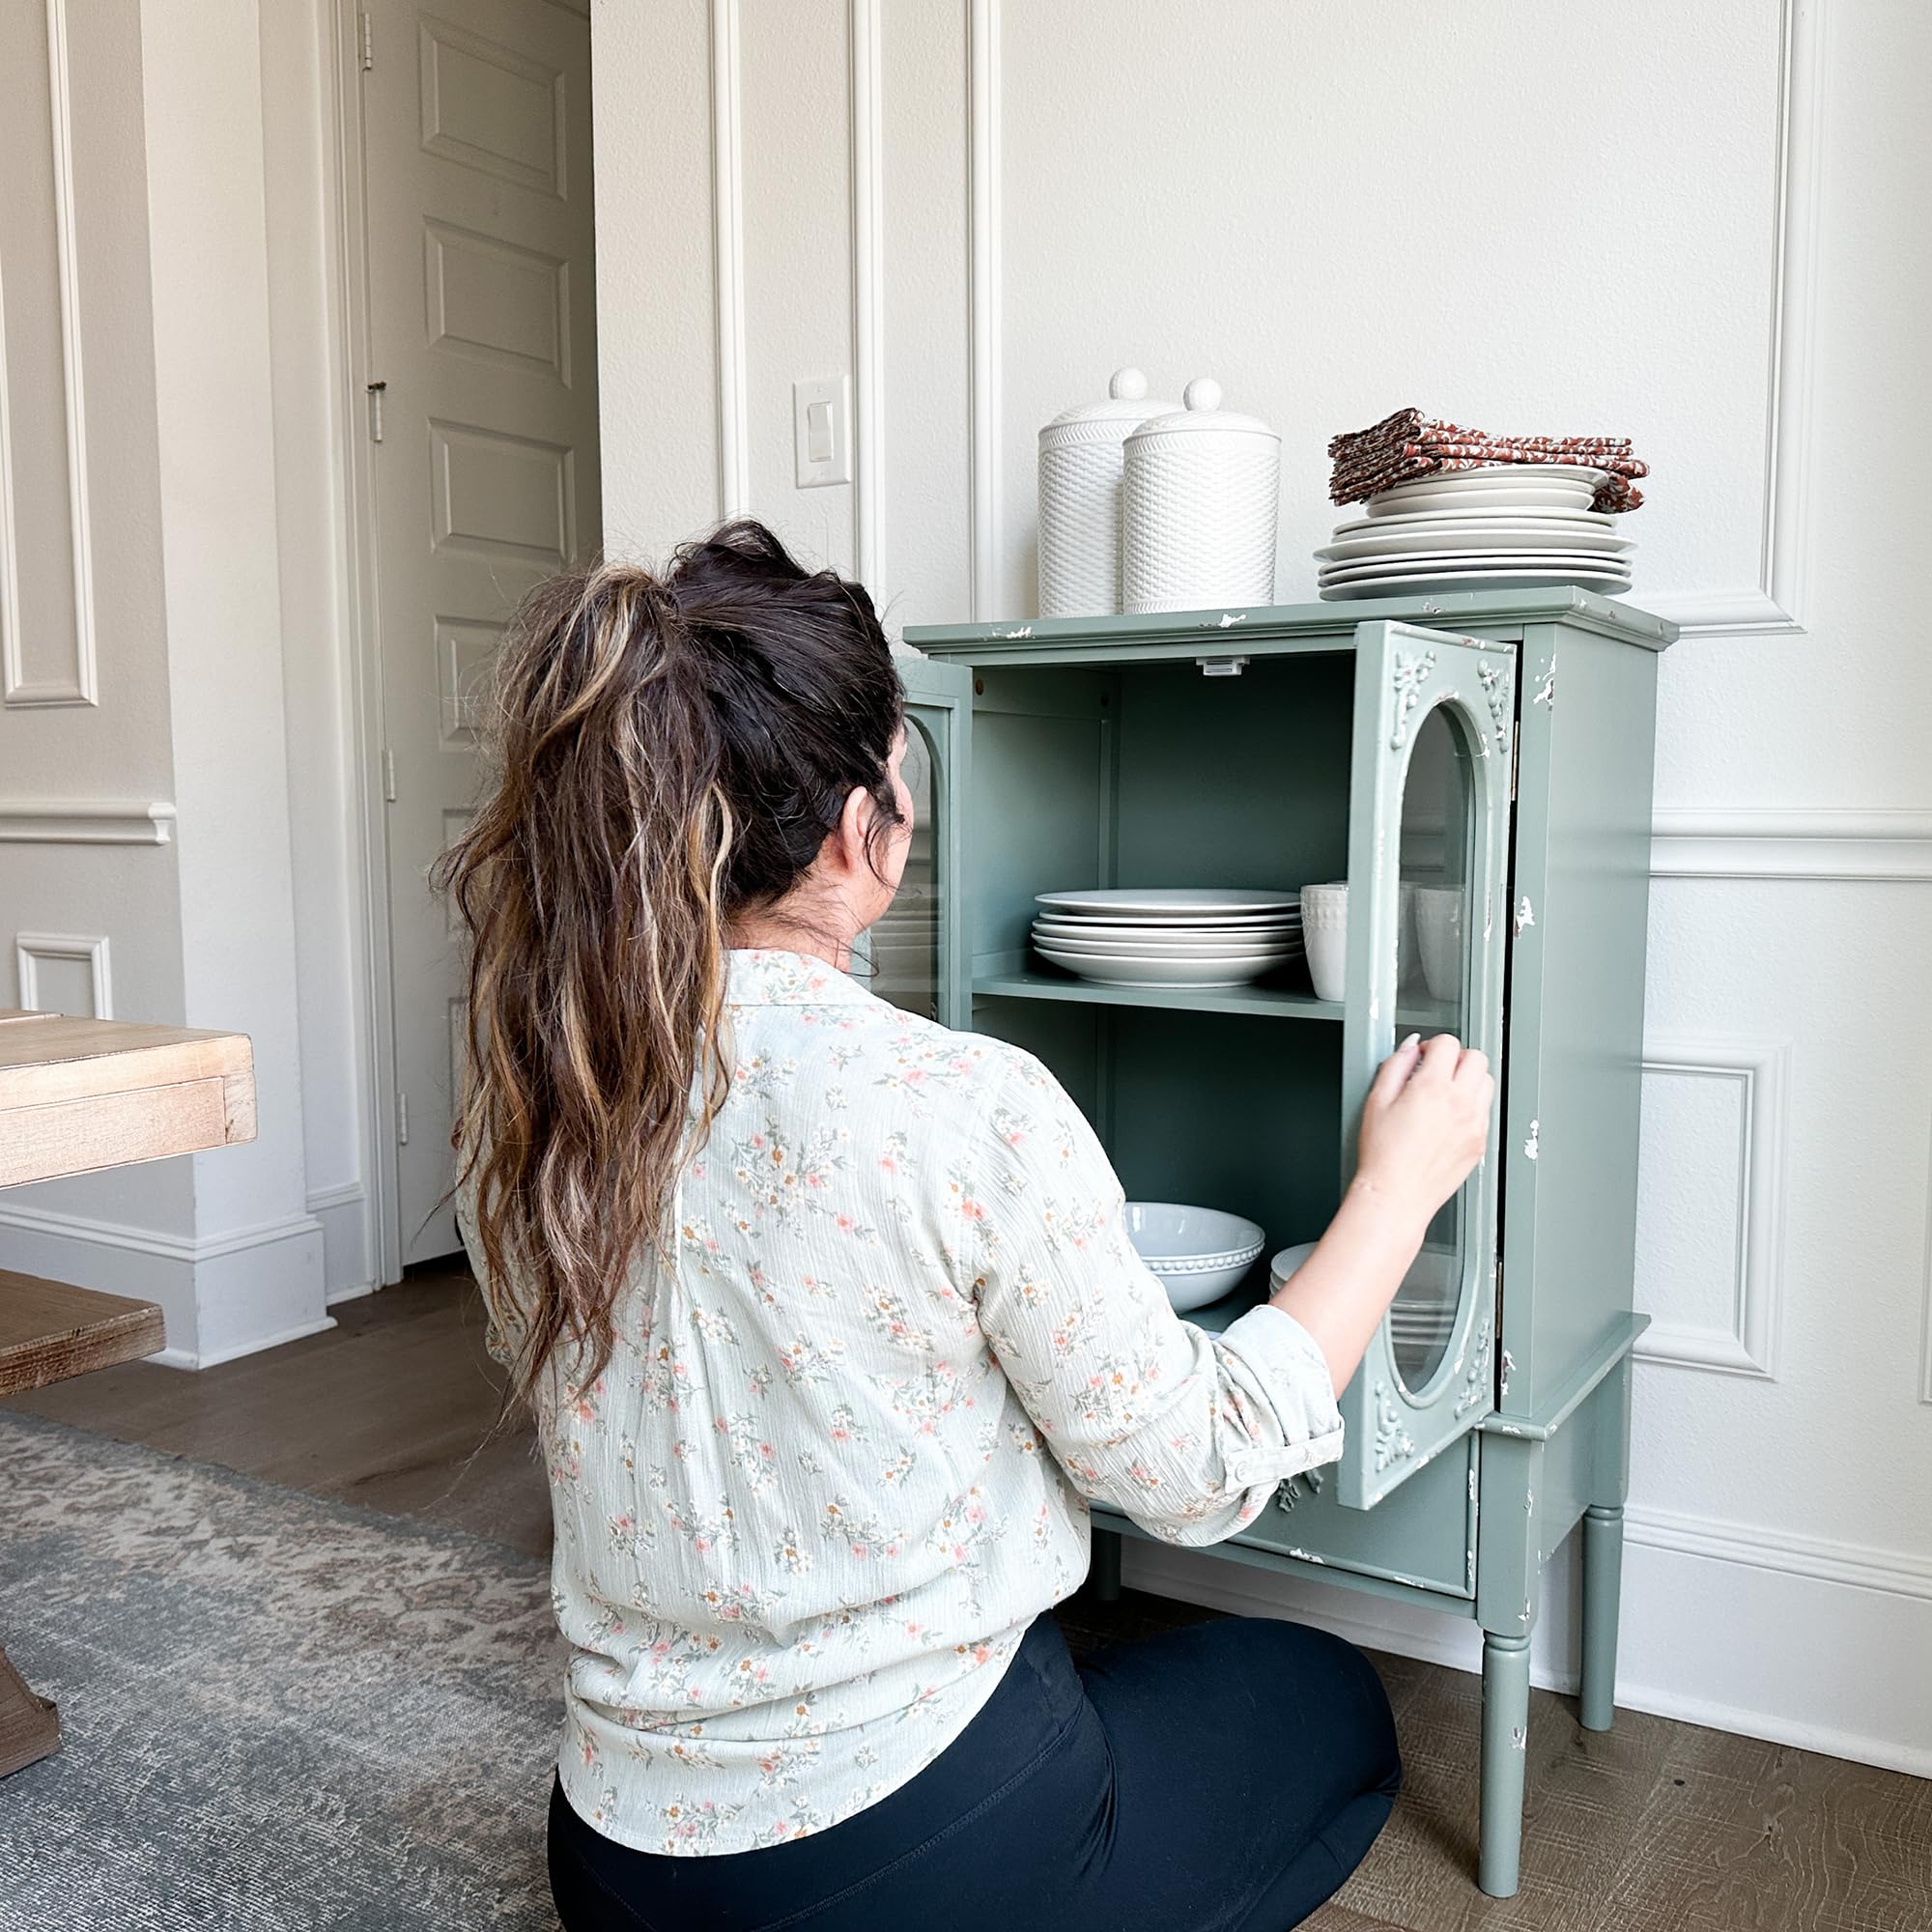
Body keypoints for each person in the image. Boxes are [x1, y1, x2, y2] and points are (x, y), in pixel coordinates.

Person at [439, 520, 1493, 1932]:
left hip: (619, 1867)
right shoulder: (957, 1100)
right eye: (897, 769)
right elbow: (1198, 1466)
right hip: (918, 1868)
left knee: (1133, 1681)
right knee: (1323, 1699)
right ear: (859, 826)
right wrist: (1398, 1188)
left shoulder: (539, 1092)